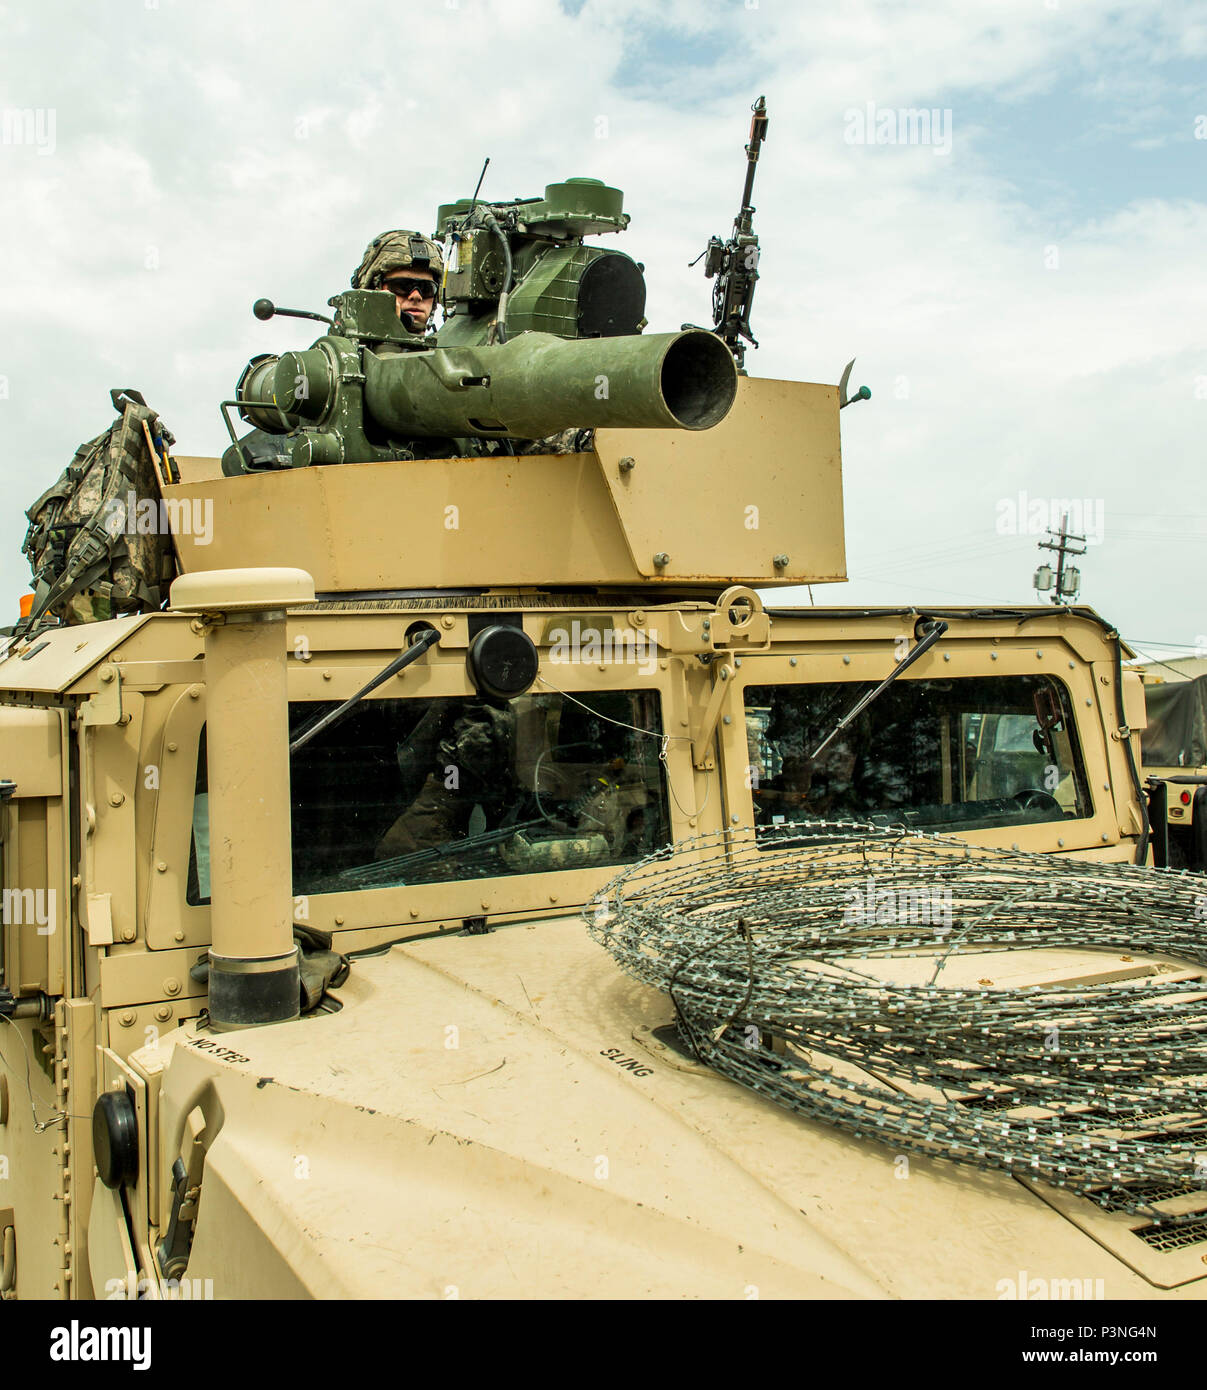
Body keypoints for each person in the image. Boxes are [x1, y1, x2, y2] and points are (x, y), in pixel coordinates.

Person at [350, 229, 444, 333]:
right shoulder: (345, 347)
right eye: (402, 286)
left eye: (426, 288)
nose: (416, 296)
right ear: (374, 289)